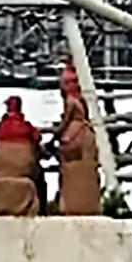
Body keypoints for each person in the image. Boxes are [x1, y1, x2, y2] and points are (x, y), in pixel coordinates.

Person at [0, 96, 44, 216]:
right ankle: (42, 211)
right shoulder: (27, 127)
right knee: (39, 176)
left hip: (0, 171)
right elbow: (37, 138)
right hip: (24, 169)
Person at [54, 62, 102, 215]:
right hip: (85, 134)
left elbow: (65, 122)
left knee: (69, 171)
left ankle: (68, 204)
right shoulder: (81, 101)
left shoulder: (70, 101)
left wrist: (54, 137)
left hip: (74, 135)